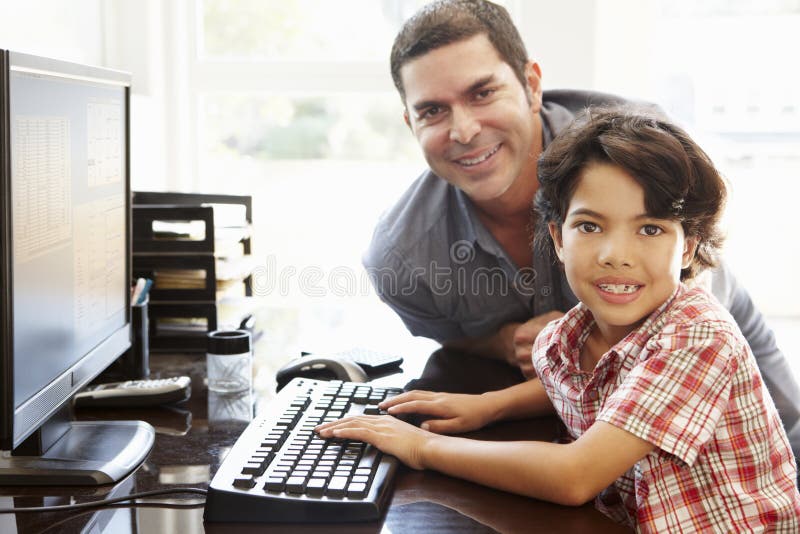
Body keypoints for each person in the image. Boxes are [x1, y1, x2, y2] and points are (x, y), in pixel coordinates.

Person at [321, 108, 800, 531]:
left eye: (650, 229)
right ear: (558, 239)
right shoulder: (572, 333)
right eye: (590, 226)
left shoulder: (696, 334)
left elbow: (574, 476)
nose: (616, 255)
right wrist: (489, 405)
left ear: (688, 248)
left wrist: (421, 449)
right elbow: (587, 383)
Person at [362, 0, 800, 459]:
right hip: (580, 439)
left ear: (531, 85)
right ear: (411, 123)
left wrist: (426, 448)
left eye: (482, 93)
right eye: (433, 110)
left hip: (750, 450)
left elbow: (687, 320)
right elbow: (453, 339)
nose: (465, 130)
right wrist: (506, 341)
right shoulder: (401, 255)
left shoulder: (641, 147)